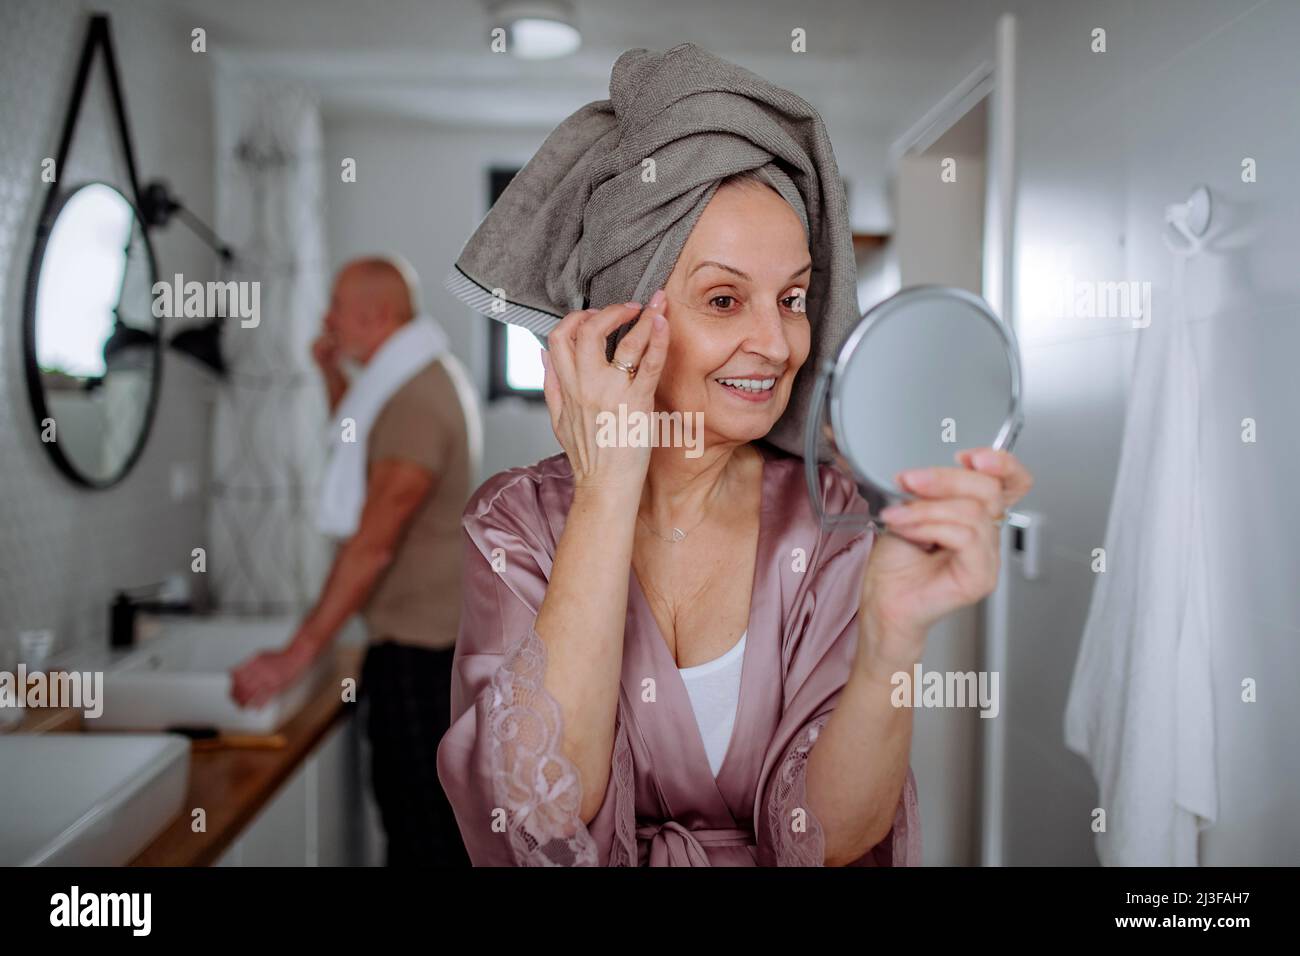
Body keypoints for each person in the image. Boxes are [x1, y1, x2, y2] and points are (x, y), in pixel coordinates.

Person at [436, 44, 1032, 866]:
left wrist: (892, 644)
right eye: (724, 299)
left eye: (793, 298)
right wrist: (609, 486)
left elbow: (828, 839)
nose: (778, 341)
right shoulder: (513, 526)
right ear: (621, 318)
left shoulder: (833, 521)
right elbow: (541, 814)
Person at [231, 255, 482, 866]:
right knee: (426, 825)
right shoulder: (413, 379)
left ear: (374, 316)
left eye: (336, 310)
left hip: (420, 657)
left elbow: (372, 543)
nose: (327, 321)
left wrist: (297, 654)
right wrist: (329, 374)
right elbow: (364, 440)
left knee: (420, 833)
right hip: (432, 646)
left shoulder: (417, 401)